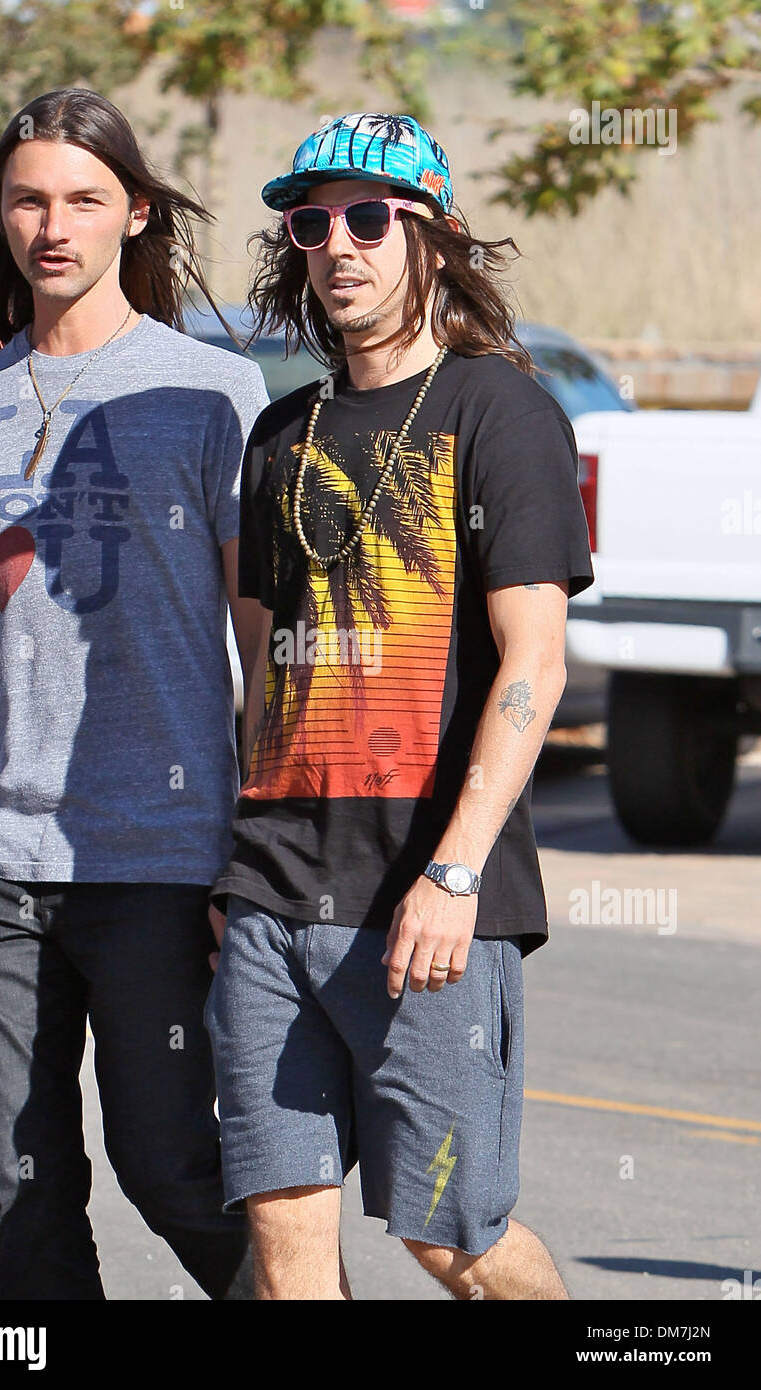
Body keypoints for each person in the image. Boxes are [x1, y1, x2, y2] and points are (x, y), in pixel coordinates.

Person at [205, 112, 595, 1300]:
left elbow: (533, 662)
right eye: (311, 222)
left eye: (370, 217)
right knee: (282, 1240)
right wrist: (228, 862)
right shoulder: (282, 436)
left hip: (427, 900)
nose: (340, 244)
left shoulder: (500, 413)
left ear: (433, 238)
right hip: (271, 892)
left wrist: (456, 869)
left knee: (451, 1237)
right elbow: (262, 669)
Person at [0, 87, 269, 1300]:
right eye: (28, 198)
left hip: (158, 855)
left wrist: (253, 860)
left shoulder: (212, 394)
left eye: (83, 199)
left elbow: (259, 644)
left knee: (171, 1166)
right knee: (23, 1195)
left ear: (135, 214)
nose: (53, 224)